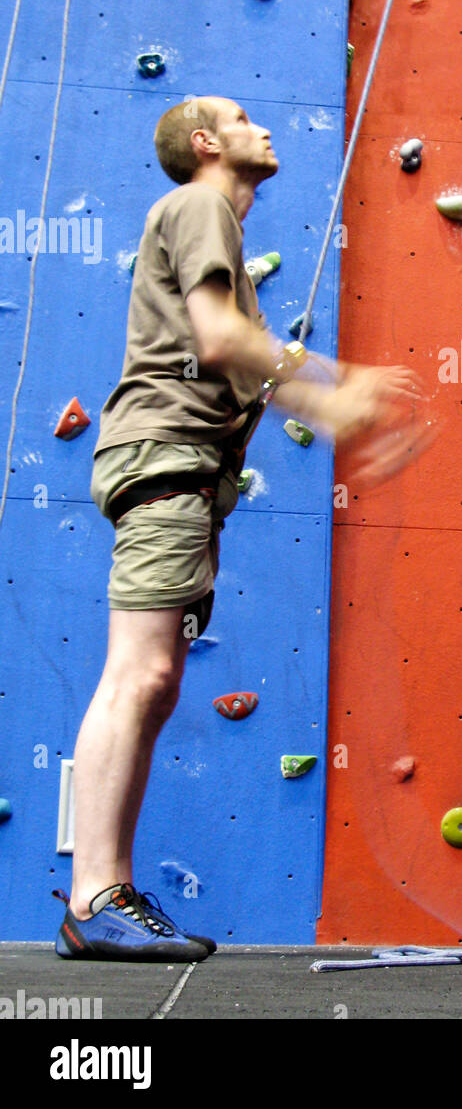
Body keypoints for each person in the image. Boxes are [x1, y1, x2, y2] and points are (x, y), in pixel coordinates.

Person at [54, 96, 425, 961]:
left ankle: (102, 892)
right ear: (204, 142)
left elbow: (259, 365)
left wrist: (341, 401)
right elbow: (223, 343)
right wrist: (341, 384)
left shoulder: (213, 232)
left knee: (154, 679)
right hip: (167, 456)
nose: (266, 128)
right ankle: (96, 897)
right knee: (140, 674)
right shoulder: (199, 206)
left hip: (180, 465)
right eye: (244, 117)